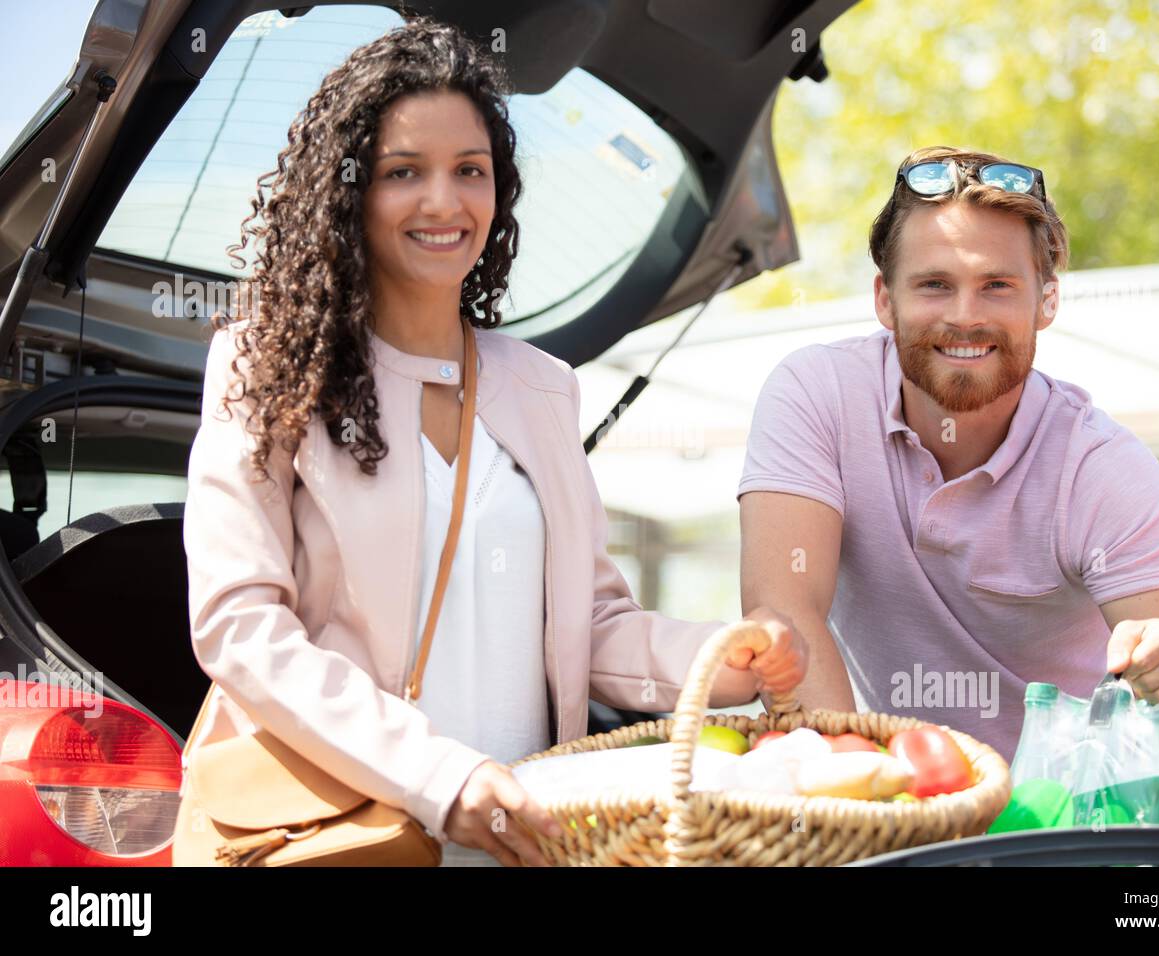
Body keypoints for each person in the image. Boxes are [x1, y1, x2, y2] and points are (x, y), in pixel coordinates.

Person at [180, 18, 807, 868]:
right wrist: (439, 777)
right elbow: (241, 626)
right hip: (350, 836)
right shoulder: (265, 368)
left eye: (470, 171)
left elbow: (590, 625)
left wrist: (716, 657)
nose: (445, 202)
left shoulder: (542, 386)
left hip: (527, 839)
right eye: (405, 172)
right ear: (349, 190)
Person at [737, 145, 1159, 764]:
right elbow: (784, 616)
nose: (965, 318)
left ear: (1045, 302)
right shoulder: (817, 394)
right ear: (885, 300)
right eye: (935, 285)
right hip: (882, 795)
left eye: (997, 286)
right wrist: (862, 795)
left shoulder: (1102, 469)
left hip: (1055, 829)